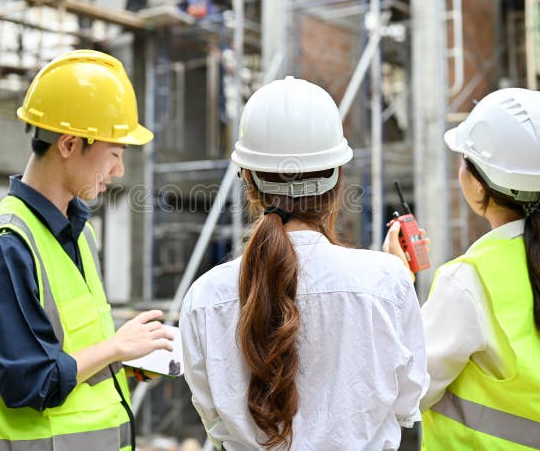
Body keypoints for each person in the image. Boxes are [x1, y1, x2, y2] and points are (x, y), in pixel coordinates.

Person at [180, 76, 428, 450]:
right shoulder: (386, 282)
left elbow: (215, 421)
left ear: (248, 180)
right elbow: (407, 403)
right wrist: (392, 283)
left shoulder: (205, 297)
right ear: (337, 180)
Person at [0, 50, 174, 450]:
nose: (119, 171)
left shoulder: (77, 233)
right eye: (114, 154)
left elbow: (72, 356)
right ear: (69, 144)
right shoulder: (7, 246)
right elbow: (28, 381)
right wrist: (116, 346)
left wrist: (123, 363)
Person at [384, 88, 540, 449]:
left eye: (465, 160)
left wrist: (396, 275)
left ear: (477, 184)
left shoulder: (468, 281)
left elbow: (404, 393)